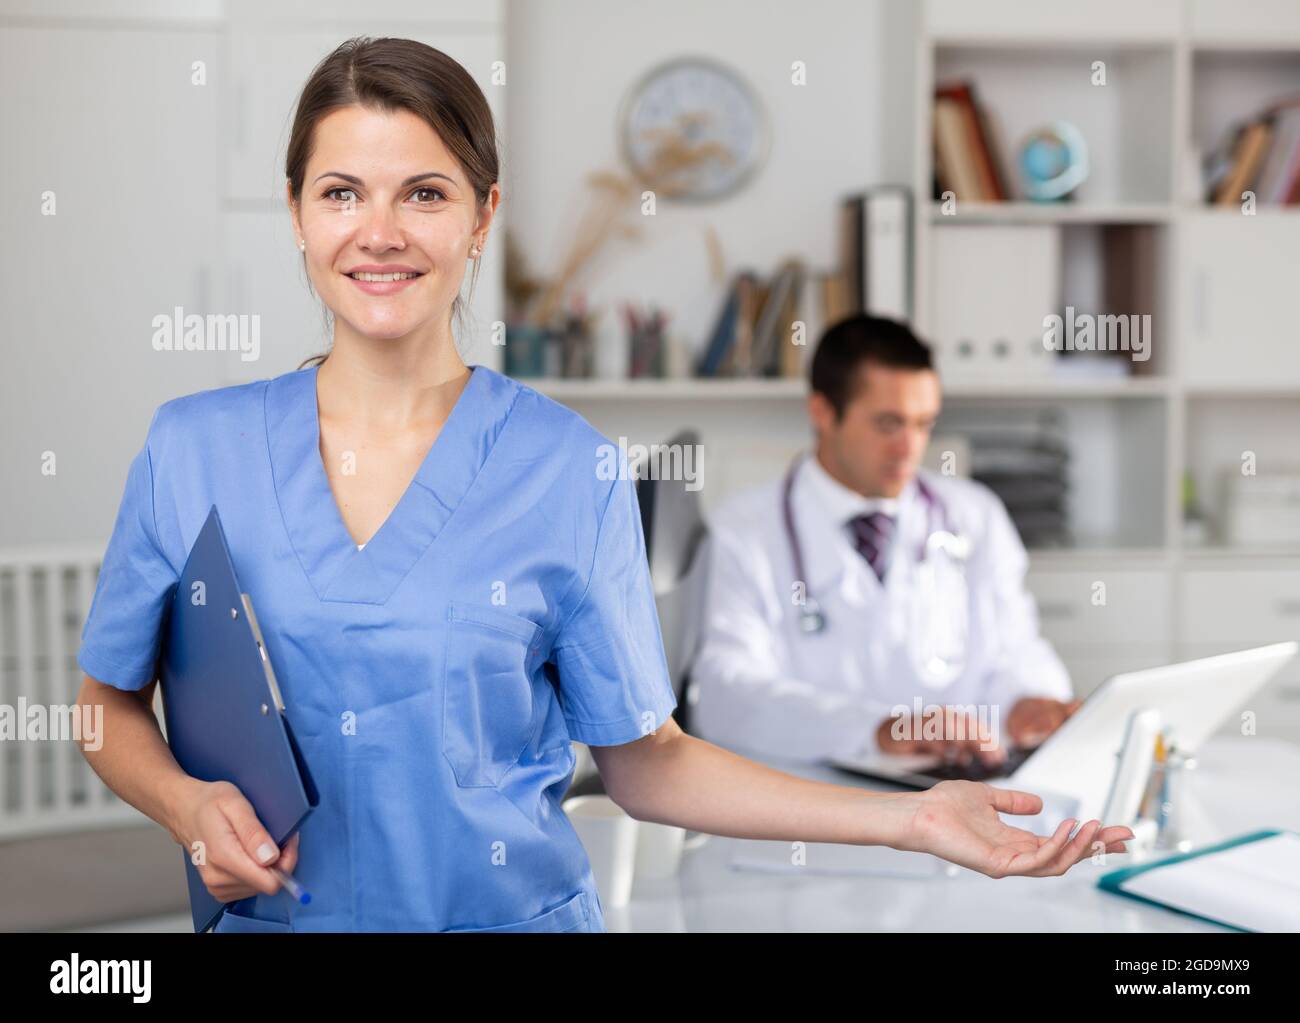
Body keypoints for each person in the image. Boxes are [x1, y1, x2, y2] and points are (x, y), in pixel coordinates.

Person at [75, 38, 1128, 934]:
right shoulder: (191, 450)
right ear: (299, 214)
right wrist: (183, 805)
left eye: (425, 193)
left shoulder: (566, 466)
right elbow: (104, 705)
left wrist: (912, 819)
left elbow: (646, 761)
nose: (380, 231)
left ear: (481, 217)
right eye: (341, 191)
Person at [691, 315, 1080, 766]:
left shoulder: (975, 516)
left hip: (958, 792)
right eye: (888, 424)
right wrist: (875, 729)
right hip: (813, 806)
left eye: (923, 424)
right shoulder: (742, 531)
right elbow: (726, 696)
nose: (909, 447)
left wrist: (1026, 702)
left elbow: (1015, 647)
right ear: (822, 412)